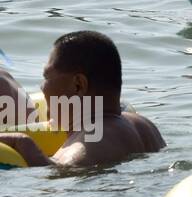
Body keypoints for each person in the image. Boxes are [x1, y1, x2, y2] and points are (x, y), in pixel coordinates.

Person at [0, 32, 164, 168]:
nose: (42, 87)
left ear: (78, 85)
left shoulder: (88, 142)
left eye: (47, 78)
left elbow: (65, 177)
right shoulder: (144, 126)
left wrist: (24, 144)